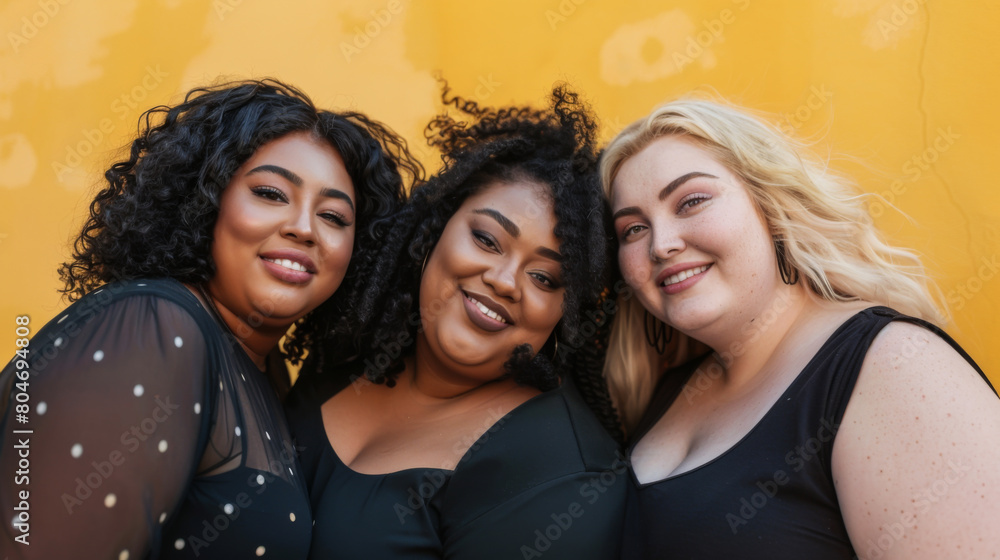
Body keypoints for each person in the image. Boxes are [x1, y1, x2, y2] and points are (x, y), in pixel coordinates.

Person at [0, 79, 420, 559]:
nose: (303, 228)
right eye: (270, 193)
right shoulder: (153, 328)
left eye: (334, 217)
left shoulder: (264, 368)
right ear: (205, 201)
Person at [599, 98, 1000, 559]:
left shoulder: (894, 366)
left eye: (691, 201)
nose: (661, 245)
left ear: (769, 204)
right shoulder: (667, 389)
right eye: (632, 229)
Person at [286, 85, 626, 559]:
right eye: (487, 239)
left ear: (569, 311)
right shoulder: (350, 352)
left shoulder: (561, 474)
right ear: (434, 229)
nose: (506, 281)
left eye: (546, 277)